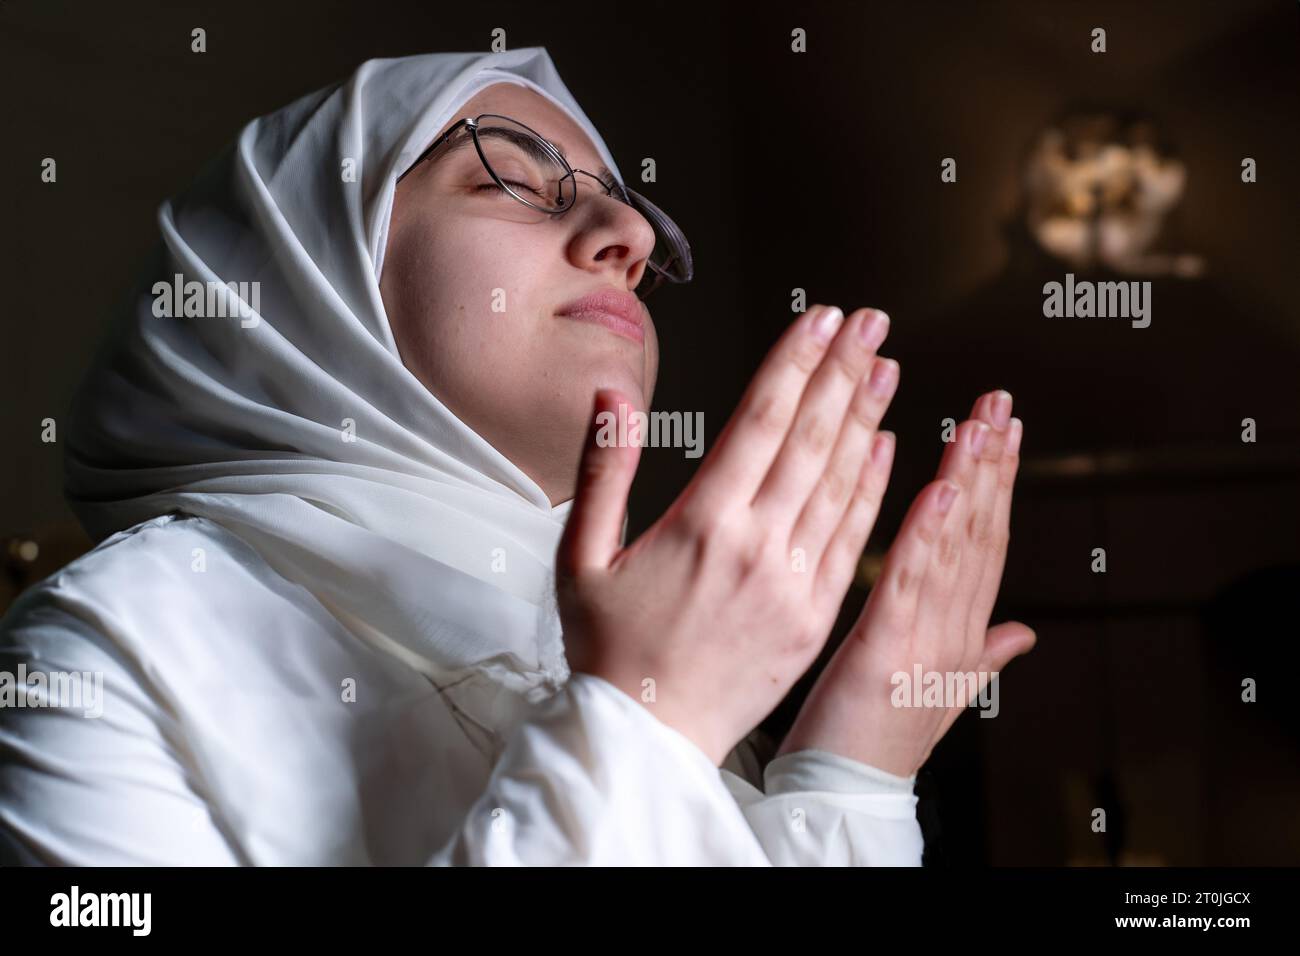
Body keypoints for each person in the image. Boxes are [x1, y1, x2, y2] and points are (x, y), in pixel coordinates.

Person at [0, 47, 1034, 865]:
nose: (626, 228)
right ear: (312, 273)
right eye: (509, 175)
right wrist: (646, 724)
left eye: (625, 201)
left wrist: (842, 785)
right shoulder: (103, 654)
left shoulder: (673, 645)